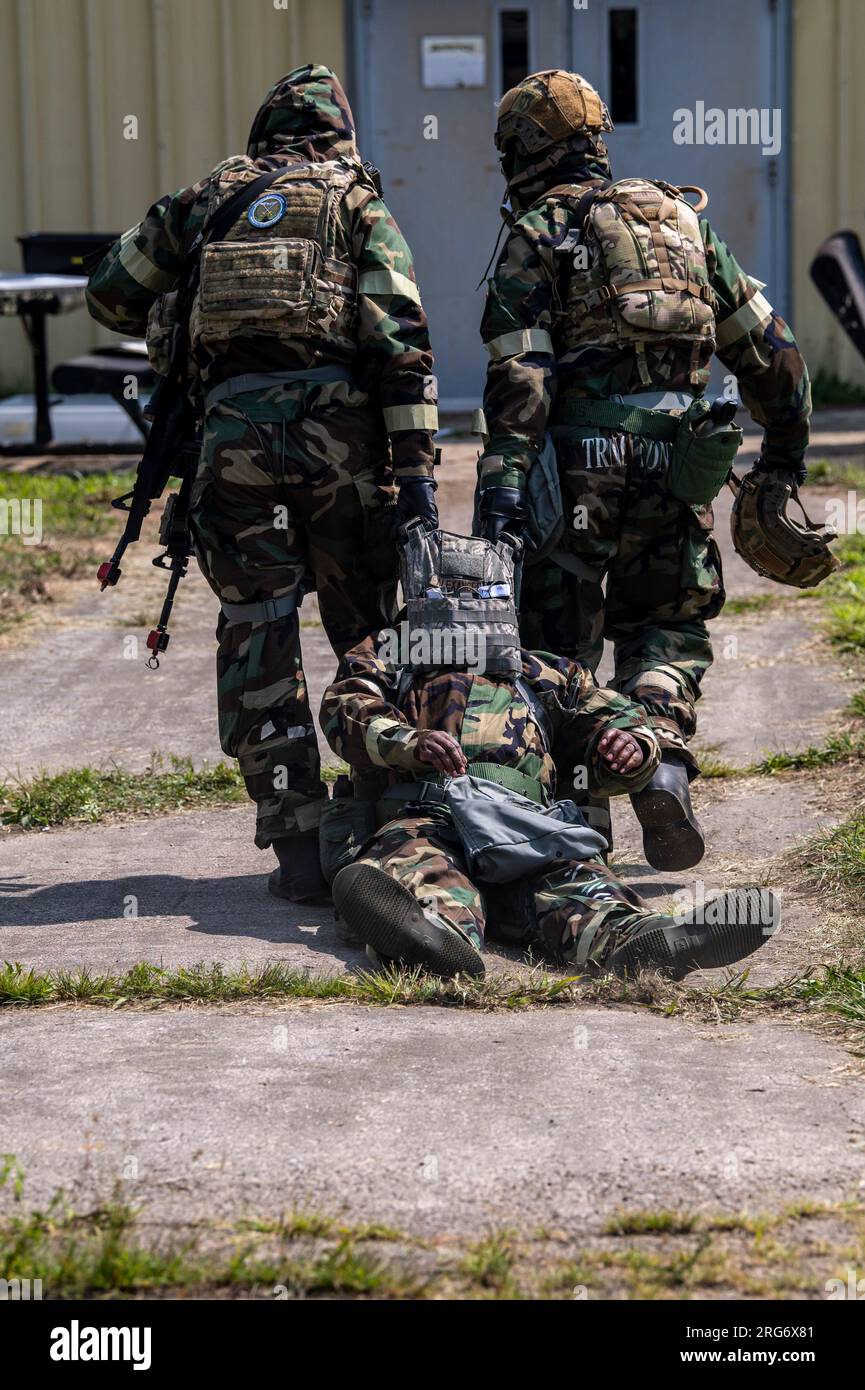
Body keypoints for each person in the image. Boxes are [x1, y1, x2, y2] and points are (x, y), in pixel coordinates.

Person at [86, 65, 439, 903]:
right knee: (368, 624)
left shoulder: (201, 201)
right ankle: (387, 809)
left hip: (233, 451)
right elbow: (404, 344)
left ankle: (294, 838)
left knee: (256, 627)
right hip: (342, 452)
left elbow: (109, 295)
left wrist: (189, 310)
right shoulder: (358, 204)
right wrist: (418, 477)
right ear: (337, 137)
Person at [475, 70, 811, 873]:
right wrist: (782, 461)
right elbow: (774, 356)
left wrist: (500, 498)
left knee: (556, 647)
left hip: (574, 476)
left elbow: (521, 382)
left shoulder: (538, 230)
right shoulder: (684, 225)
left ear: (521, 150)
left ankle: (579, 837)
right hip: (678, 469)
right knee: (665, 626)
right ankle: (658, 760)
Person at [320, 531, 779, 980]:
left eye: (482, 592)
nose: (466, 603)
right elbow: (347, 708)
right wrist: (408, 740)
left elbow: (615, 716)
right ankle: (432, 938)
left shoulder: (546, 672)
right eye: (451, 592)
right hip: (426, 814)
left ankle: (644, 940)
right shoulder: (388, 657)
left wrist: (630, 746)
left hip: (528, 828)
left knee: (577, 884)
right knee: (422, 869)